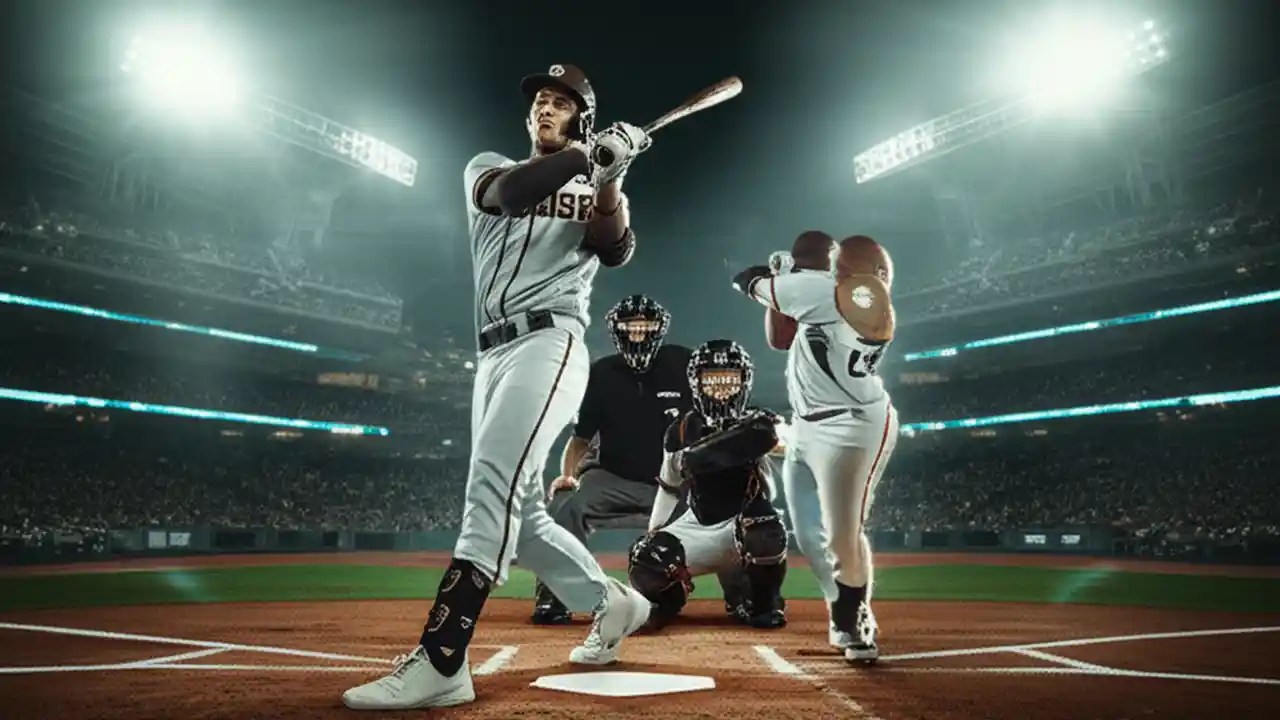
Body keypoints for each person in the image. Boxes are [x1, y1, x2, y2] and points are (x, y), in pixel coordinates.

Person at [343, 64, 655, 711]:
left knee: (491, 491)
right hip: (493, 353)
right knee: (525, 511)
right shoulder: (489, 167)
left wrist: (612, 175)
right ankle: (611, 602)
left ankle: (442, 659)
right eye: (540, 100)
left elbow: (614, 246)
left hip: (551, 343)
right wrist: (583, 156)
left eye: (561, 102)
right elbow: (508, 197)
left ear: (582, 116)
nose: (545, 106)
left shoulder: (594, 179)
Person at [731, 232, 899, 665]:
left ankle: (854, 615)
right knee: (808, 534)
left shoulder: (821, 291)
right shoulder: (858, 302)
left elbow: (745, 278)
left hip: (852, 427)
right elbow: (782, 338)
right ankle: (840, 608)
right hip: (806, 428)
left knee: (843, 533)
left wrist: (780, 272)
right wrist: (786, 280)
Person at [532, 294, 693, 623]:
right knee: (565, 504)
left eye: (645, 325)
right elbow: (581, 438)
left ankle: (748, 596)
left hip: (675, 483)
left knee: (729, 508)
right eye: (630, 326)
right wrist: (569, 476)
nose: (638, 332)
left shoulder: (685, 364)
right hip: (612, 478)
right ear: (617, 331)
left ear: (659, 328)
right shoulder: (601, 373)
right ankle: (555, 595)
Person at [626, 339, 789, 630]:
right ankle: (666, 603)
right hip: (699, 523)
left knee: (765, 531)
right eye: (712, 378)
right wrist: (654, 532)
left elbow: (782, 451)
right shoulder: (681, 430)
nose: (722, 386)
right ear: (696, 383)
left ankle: (761, 600)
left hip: (745, 525)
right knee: (646, 556)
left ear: (744, 381)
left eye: (730, 378)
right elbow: (669, 486)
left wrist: (707, 454)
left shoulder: (760, 421)